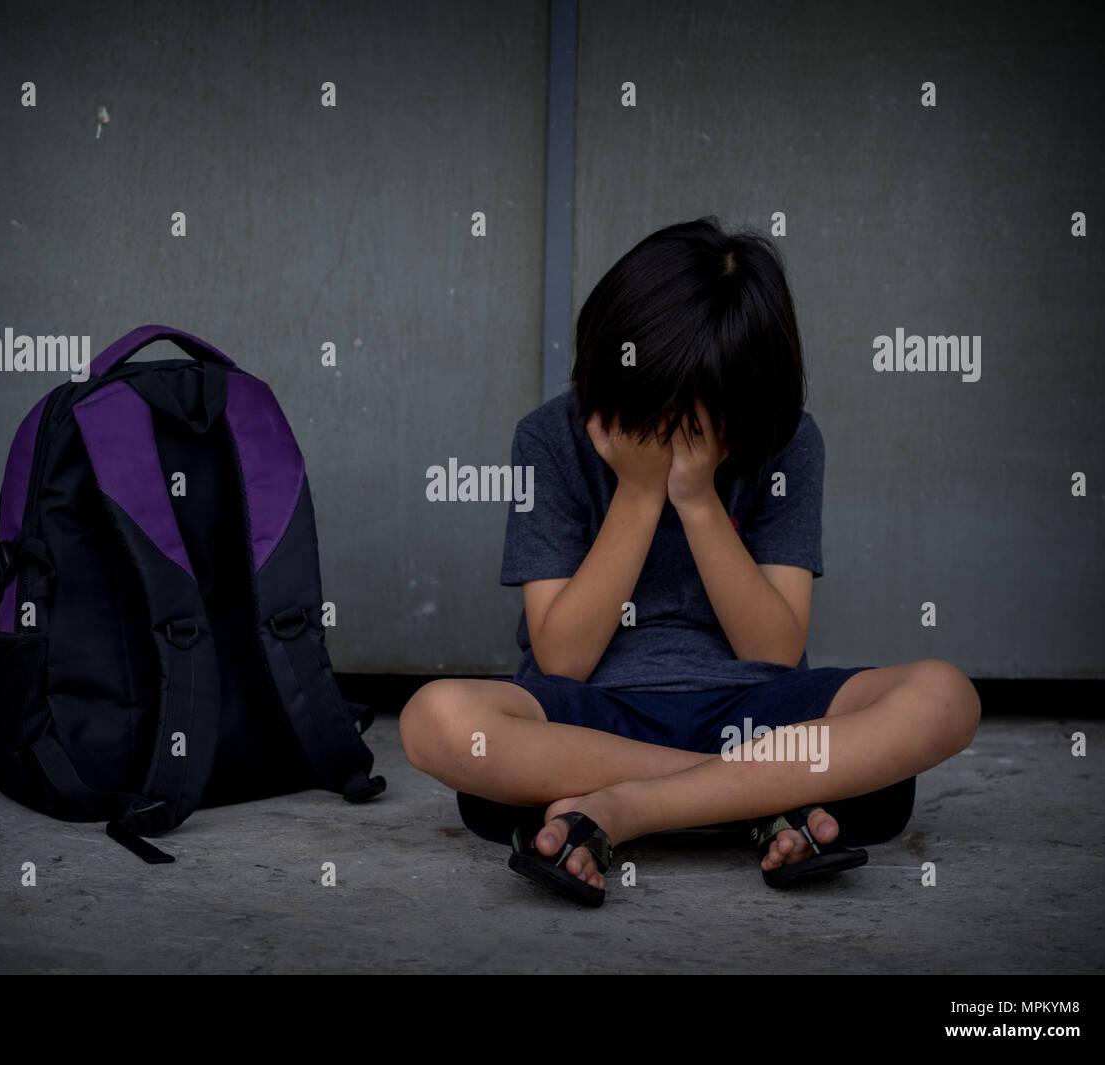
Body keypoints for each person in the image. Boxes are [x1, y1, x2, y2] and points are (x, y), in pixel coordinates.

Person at [398, 216, 980, 906]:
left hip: (760, 709)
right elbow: (562, 660)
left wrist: (698, 499)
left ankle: (623, 810)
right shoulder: (550, 438)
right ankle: (760, 798)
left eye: (704, 422)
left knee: (947, 695)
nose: (676, 435)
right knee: (434, 718)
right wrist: (639, 495)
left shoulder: (786, 441)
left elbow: (772, 647)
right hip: (595, 718)